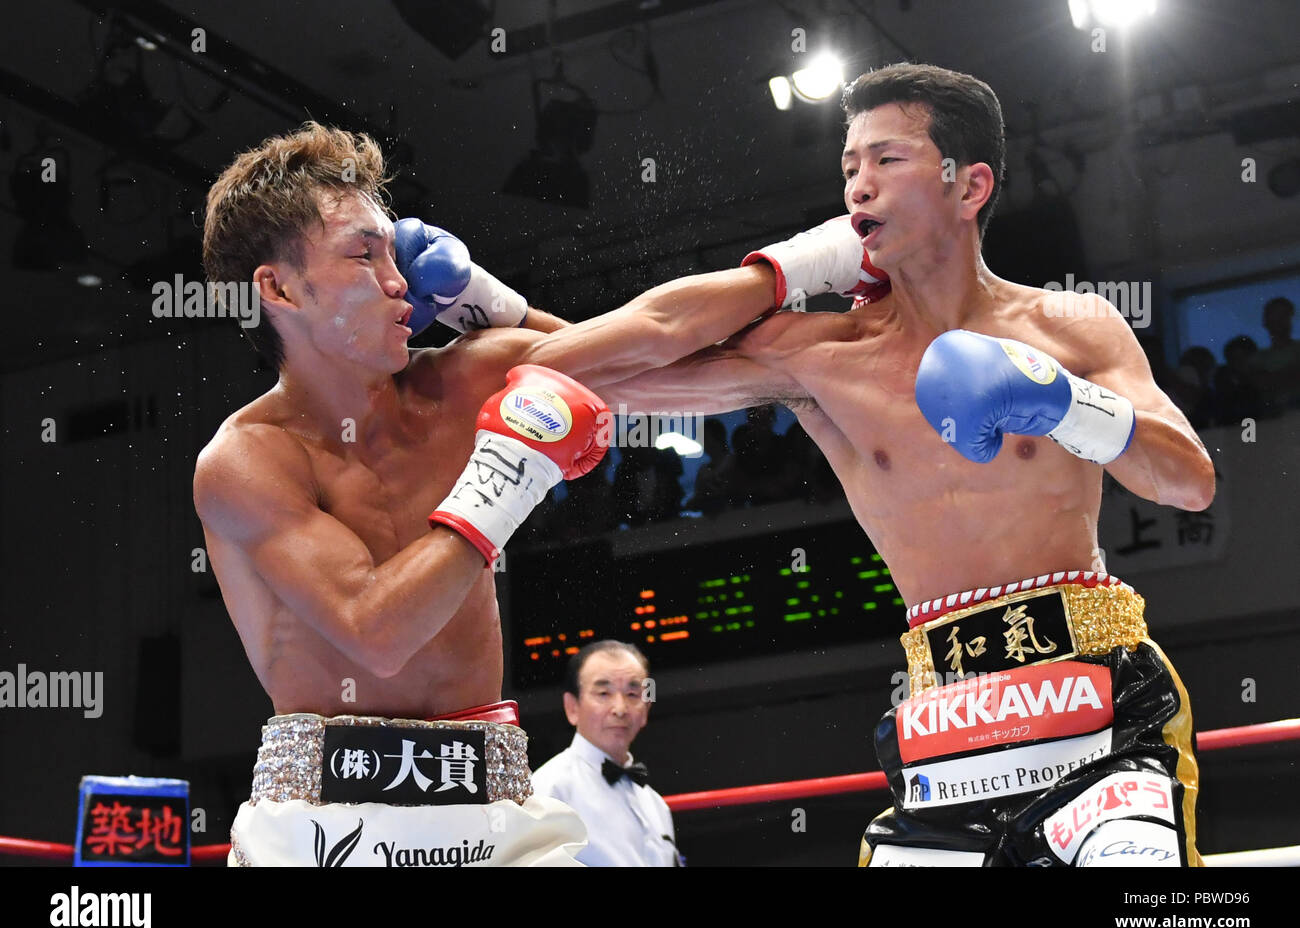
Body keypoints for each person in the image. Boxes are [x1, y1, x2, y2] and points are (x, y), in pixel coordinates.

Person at [193, 123, 878, 866]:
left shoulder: (458, 382)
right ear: (280, 286)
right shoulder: (247, 460)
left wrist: (821, 257)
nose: (399, 281)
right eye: (363, 254)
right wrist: (507, 472)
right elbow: (377, 632)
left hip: (490, 802)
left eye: (395, 250)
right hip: (324, 821)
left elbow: (641, 350)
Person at [603, 63, 1213, 866]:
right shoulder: (820, 353)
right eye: (849, 168)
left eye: (887, 160)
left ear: (971, 187)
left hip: (1098, 702)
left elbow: (1189, 481)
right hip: (946, 727)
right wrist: (780, 272)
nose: (859, 186)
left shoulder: (1072, 326)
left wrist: (1065, 403)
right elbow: (621, 368)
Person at [531, 641, 678, 866]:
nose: (620, 709)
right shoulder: (548, 789)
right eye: (603, 693)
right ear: (572, 707)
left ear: (646, 709)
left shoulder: (656, 805)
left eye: (632, 693)